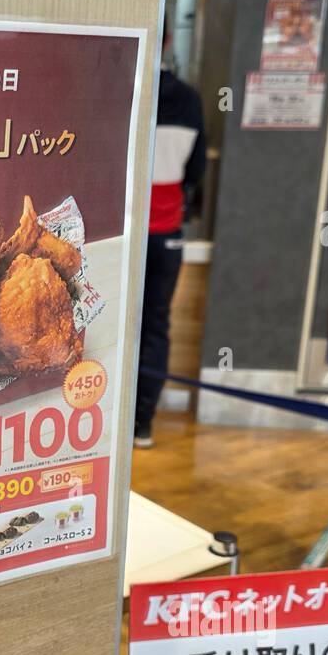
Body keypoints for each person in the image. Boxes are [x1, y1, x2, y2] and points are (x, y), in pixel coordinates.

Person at [135, 25, 206, 449]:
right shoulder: (190, 100)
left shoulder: (122, 89)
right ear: (167, 42)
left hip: (126, 238)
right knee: (155, 328)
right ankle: (142, 424)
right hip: (166, 236)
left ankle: (111, 420)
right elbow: (196, 173)